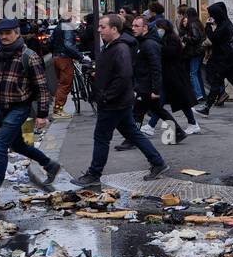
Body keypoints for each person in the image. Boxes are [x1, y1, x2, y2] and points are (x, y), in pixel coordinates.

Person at [73, 14, 167, 188]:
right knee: (132, 133)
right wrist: (96, 70)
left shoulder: (120, 48)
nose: (99, 30)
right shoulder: (113, 46)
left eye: (103, 27)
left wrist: (106, 96)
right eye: (99, 27)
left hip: (113, 102)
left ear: (114, 29)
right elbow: (113, 72)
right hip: (119, 101)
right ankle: (158, 162)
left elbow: (123, 76)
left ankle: (94, 173)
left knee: (101, 137)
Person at [0, 18, 60, 205]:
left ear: (17, 33)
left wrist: (41, 114)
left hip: (20, 107)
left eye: (8, 33)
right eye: (1, 34)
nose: (4, 37)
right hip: (3, 106)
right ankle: (50, 164)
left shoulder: (29, 56)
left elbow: (42, 87)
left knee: (0, 146)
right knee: (18, 146)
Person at [121, 15, 186, 145]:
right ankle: (178, 132)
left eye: (136, 26)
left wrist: (155, 89)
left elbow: (156, 67)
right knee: (157, 110)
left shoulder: (149, 44)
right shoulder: (142, 42)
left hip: (147, 86)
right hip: (144, 85)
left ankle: (131, 139)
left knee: (138, 112)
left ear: (145, 28)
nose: (133, 28)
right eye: (132, 25)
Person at [199, 1, 233, 116]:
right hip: (230, 59)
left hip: (224, 60)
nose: (210, 17)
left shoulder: (223, 26)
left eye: (212, 15)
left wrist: (208, 25)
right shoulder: (227, 23)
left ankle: (206, 108)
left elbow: (213, 38)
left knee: (216, 82)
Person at [156, 17, 200, 134]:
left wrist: (158, 49)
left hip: (174, 74)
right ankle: (192, 123)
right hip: (170, 74)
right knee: (179, 101)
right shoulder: (166, 38)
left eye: (159, 28)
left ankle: (150, 126)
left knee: (164, 102)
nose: (158, 30)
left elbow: (172, 53)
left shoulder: (172, 39)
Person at [48, 15, 88, 118]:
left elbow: (50, 42)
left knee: (61, 84)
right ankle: (58, 110)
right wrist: (80, 56)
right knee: (65, 84)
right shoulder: (67, 27)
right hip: (64, 59)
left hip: (56, 57)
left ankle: (58, 109)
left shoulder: (58, 26)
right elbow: (68, 45)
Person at [180, 7, 207, 103]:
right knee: (197, 73)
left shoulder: (192, 24)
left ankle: (198, 95)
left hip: (195, 52)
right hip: (200, 51)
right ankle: (202, 94)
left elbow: (195, 38)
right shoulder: (198, 23)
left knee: (193, 73)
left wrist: (186, 38)